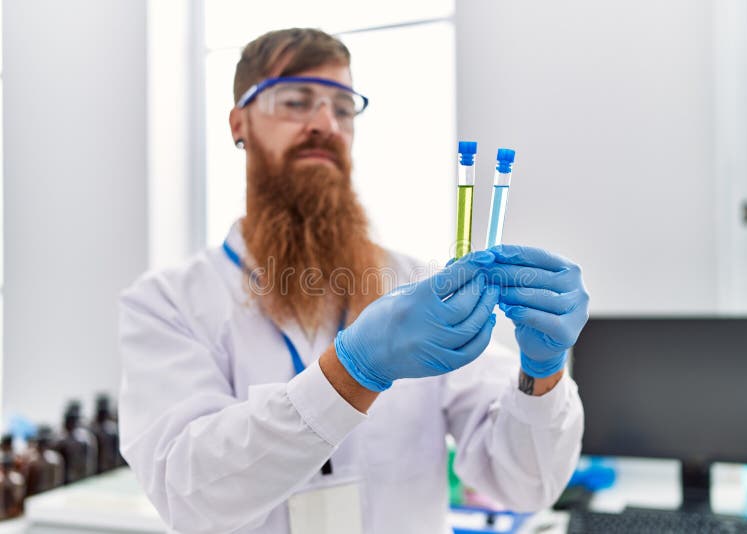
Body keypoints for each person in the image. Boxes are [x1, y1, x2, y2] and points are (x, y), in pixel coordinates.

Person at [118, 28, 589, 534]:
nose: (326, 124)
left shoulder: (416, 287)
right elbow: (190, 495)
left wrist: (542, 375)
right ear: (240, 124)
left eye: (343, 108)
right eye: (296, 101)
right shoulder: (168, 303)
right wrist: (352, 372)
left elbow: (524, 484)